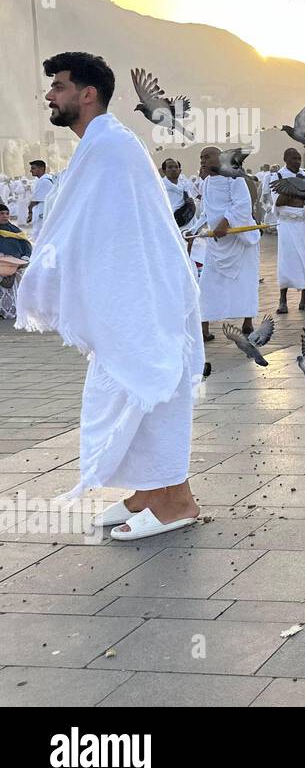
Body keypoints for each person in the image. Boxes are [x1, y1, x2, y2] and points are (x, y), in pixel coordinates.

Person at [17, 51, 203, 539]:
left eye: (58, 86)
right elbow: (96, 228)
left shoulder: (112, 147)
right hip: (131, 295)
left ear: (87, 93)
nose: (49, 95)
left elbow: (115, 235)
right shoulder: (102, 145)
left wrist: (39, 269)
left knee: (152, 386)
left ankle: (178, 502)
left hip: (144, 296)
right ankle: (148, 492)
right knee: (125, 390)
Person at [196, 145, 260, 342]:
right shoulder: (206, 183)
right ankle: (203, 326)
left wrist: (226, 222)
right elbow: (207, 212)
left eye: (207, 157)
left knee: (246, 281)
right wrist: (195, 230)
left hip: (240, 240)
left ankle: (248, 320)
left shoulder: (235, 178)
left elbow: (242, 205)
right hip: (216, 243)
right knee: (207, 283)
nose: (203, 161)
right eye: (201, 158)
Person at [273, 147, 305, 314]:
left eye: (299, 159)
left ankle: (304, 300)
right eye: (293, 158)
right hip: (288, 225)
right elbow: (277, 203)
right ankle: (282, 300)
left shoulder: (304, 175)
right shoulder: (278, 176)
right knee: (287, 261)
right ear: (285, 159)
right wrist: (293, 188)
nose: (297, 162)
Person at [27, 159, 55, 242]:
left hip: (41, 210)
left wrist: (30, 211)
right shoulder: (47, 179)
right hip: (45, 208)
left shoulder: (44, 181)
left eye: (33, 168)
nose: (31, 171)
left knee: (39, 233)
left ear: (41, 168)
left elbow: (35, 200)